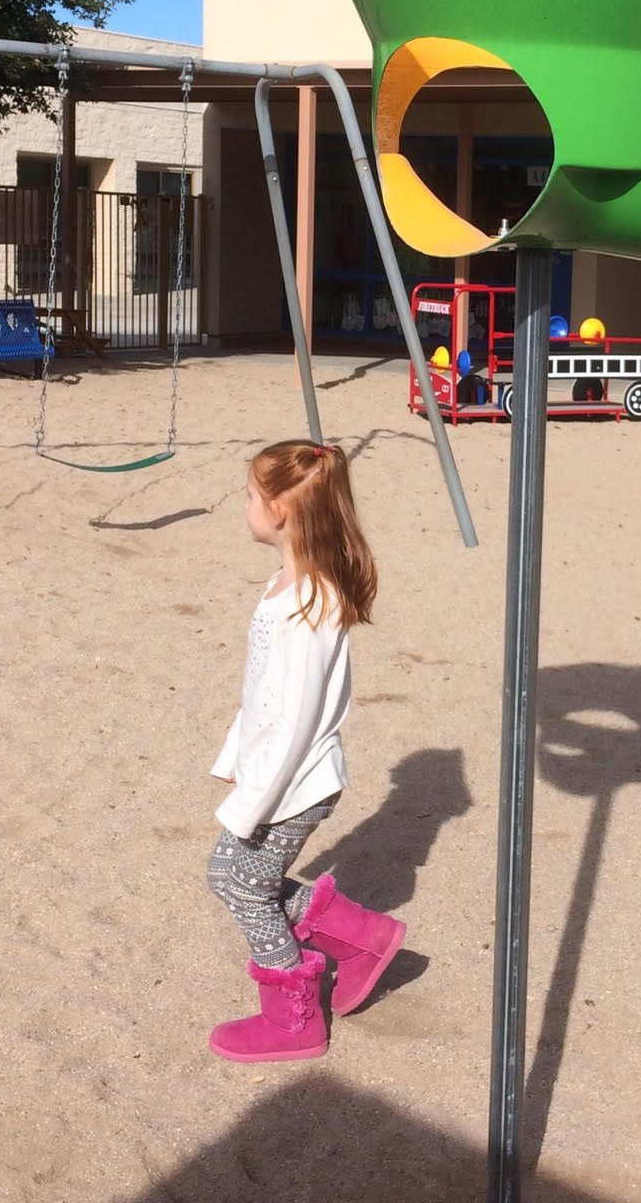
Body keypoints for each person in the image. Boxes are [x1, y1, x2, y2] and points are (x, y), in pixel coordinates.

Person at [206, 439, 407, 1062]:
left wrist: (253, 802)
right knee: (235, 877)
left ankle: (295, 1019)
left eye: (249, 497)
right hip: (278, 776)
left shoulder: (305, 607)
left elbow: (293, 723)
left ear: (281, 511)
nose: (243, 507)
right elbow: (259, 695)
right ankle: (361, 936)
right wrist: (235, 759)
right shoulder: (285, 586)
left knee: (240, 885)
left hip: (296, 784)